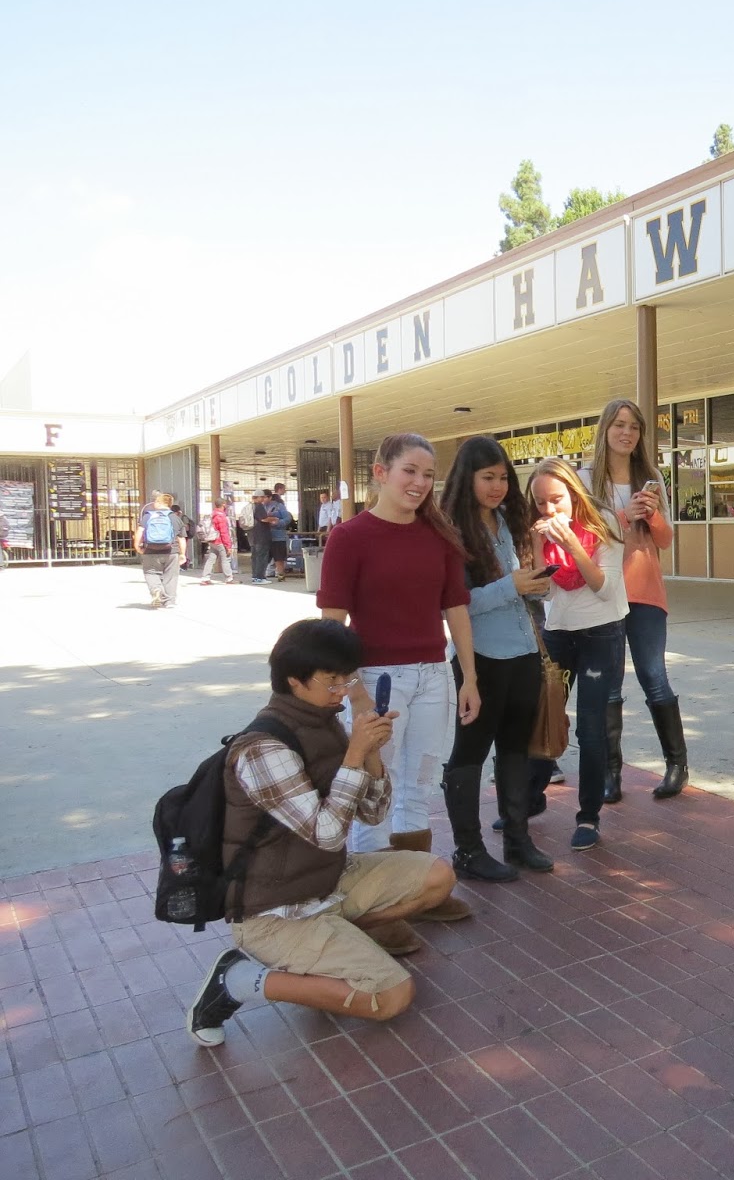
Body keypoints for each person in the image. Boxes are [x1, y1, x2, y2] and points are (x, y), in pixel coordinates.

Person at [185, 618, 462, 1048]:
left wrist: (371, 756)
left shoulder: (326, 721)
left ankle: (334, 948)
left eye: (348, 678)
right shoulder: (263, 748)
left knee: (436, 877)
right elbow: (329, 833)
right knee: (390, 996)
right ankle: (236, 979)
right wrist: (354, 754)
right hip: (274, 911)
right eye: (332, 680)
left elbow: (374, 813)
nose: (343, 690)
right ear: (294, 681)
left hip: (326, 883)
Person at [318, 432, 479, 952]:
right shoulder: (350, 537)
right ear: (381, 473)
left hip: (435, 673)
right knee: (374, 792)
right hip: (379, 681)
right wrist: (356, 694)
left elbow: (456, 609)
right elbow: (331, 626)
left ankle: (416, 894)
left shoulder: (440, 536)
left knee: (419, 784)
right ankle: (374, 908)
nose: (420, 483)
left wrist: (469, 677)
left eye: (429, 475)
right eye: (410, 471)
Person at [438, 436, 557, 880]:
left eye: (504, 477)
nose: (497, 486)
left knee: (515, 750)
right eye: (488, 477)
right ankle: (467, 851)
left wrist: (535, 584)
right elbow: (456, 604)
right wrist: (514, 587)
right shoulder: (451, 530)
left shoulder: (509, 521)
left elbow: (515, 584)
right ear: (466, 479)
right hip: (480, 658)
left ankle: (517, 840)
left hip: (525, 649)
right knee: (469, 752)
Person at [579, 398, 689, 802]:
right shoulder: (585, 478)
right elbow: (584, 537)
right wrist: (625, 516)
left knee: (653, 675)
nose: (627, 433)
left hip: (645, 592)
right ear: (605, 429)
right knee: (608, 685)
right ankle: (612, 774)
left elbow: (664, 540)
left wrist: (652, 514)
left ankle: (677, 766)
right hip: (603, 591)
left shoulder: (651, 476)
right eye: (619, 425)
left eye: (635, 427)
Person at [527, 457, 627, 851]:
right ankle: (530, 800)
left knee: (590, 727)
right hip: (559, 631)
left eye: (556, 500)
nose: (549, 510)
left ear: (574, 493)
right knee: (542, 715)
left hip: (602, 632)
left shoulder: (605, 524)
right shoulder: (541, 530)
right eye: (540, 503)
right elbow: (543, 588)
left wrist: (569, 542)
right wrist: (539, 543)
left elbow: (603, 586)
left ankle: (588, 817)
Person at [135, 492, 183, 609]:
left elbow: (140, 531)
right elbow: (181, 538)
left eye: (156, 501)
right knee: (171, 576)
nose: (154, 503)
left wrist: (137, 546)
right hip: (171, 551)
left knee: (150, 572)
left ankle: (156, 589)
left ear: (160, 503)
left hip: (150, 550)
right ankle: (169, 601)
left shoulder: (148, 516)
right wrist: (182, 553)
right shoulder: (174, 517)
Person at [198, 499, 237, 584]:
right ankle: (229, 578)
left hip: (212, 540)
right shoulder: (221, 516)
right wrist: (228, 546)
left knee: (211, 559)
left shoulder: (213, 514)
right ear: (223, 505)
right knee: (225, 559)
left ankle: (205, 578)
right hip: (220, 541)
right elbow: (224, 532)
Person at [266, 487, 292, 581]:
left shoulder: (279, 506)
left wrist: (278, 523)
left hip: (278, 536)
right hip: (264, 536)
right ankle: (260, 576)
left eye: (264, 497)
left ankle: (281, 575)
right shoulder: (259, 507)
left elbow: (288, 518)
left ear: (269, 497)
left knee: (279, 557)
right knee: (264, 557)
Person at [250, 491, 275, 584]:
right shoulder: (259, 506)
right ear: (258, 497)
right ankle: (260, 577)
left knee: (255, 557)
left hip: (254, 535)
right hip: (262, 536)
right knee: (262, 557)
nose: (264, 499)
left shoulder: (251, 506)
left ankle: (255, 576)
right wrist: (273, 519)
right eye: (262, 497)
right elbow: (263, 519)